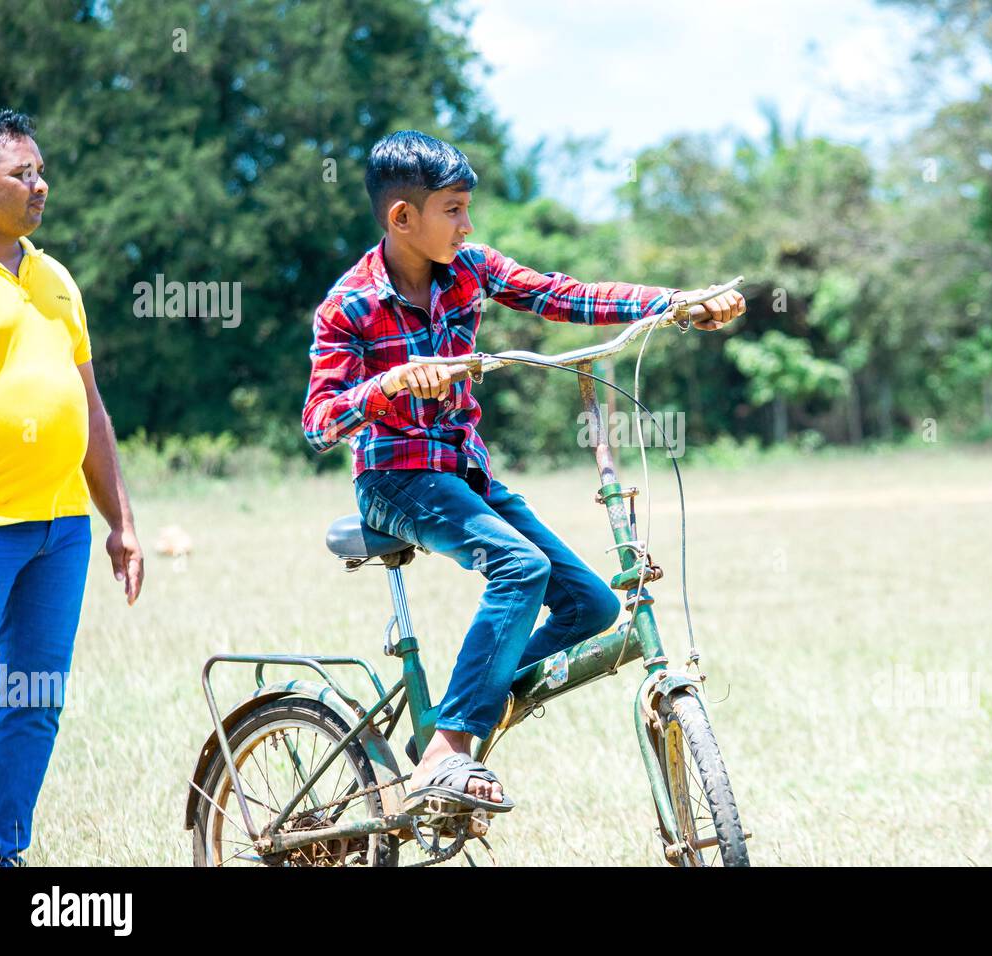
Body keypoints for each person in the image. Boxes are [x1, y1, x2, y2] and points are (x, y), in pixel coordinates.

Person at [302, 130, 744, 811]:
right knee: (520, 566)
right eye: (452, 209)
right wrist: (388, 385)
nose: (467, 223)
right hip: (395, 482)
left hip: (464, 474)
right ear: (402, 218)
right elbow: (321, 422)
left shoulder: (470, 270)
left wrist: (674, 303)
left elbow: (564, 296)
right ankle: (448, 750)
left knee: (592, 604)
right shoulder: (349, 306)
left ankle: (460, 714)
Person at [0, 109, 144, 866]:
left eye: (41, 171)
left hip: (61, 531)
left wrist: (122, 522)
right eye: (23, 173)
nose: (40, 184)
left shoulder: (55, 277)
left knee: (33, 703)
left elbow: (92, 406)